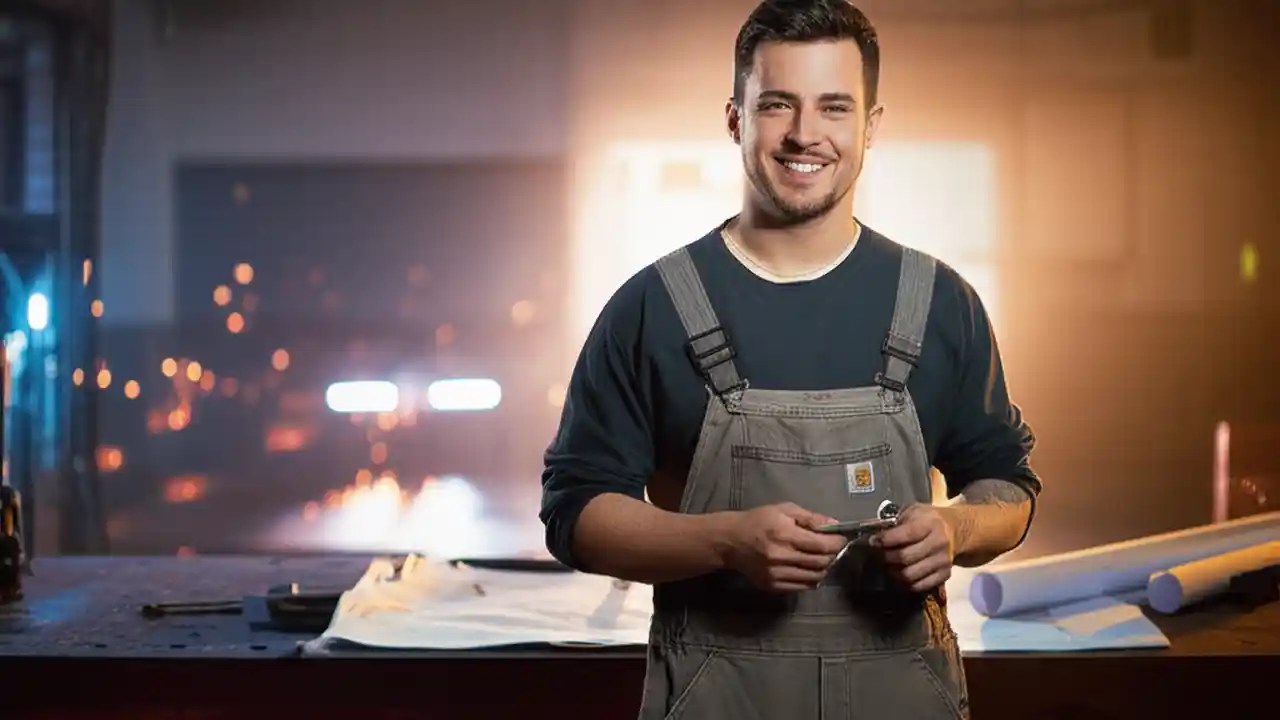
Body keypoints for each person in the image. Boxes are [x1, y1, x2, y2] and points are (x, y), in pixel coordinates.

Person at [540, 1, 1040, 717]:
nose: (806, 133)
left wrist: (955, 529)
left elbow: (1009, 487)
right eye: (777, 104)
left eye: (834, 107)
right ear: (735, 119)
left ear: (870, 126)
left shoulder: (940, 302)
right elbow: (575, 512)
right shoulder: (652, 307)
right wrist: (725, 541)